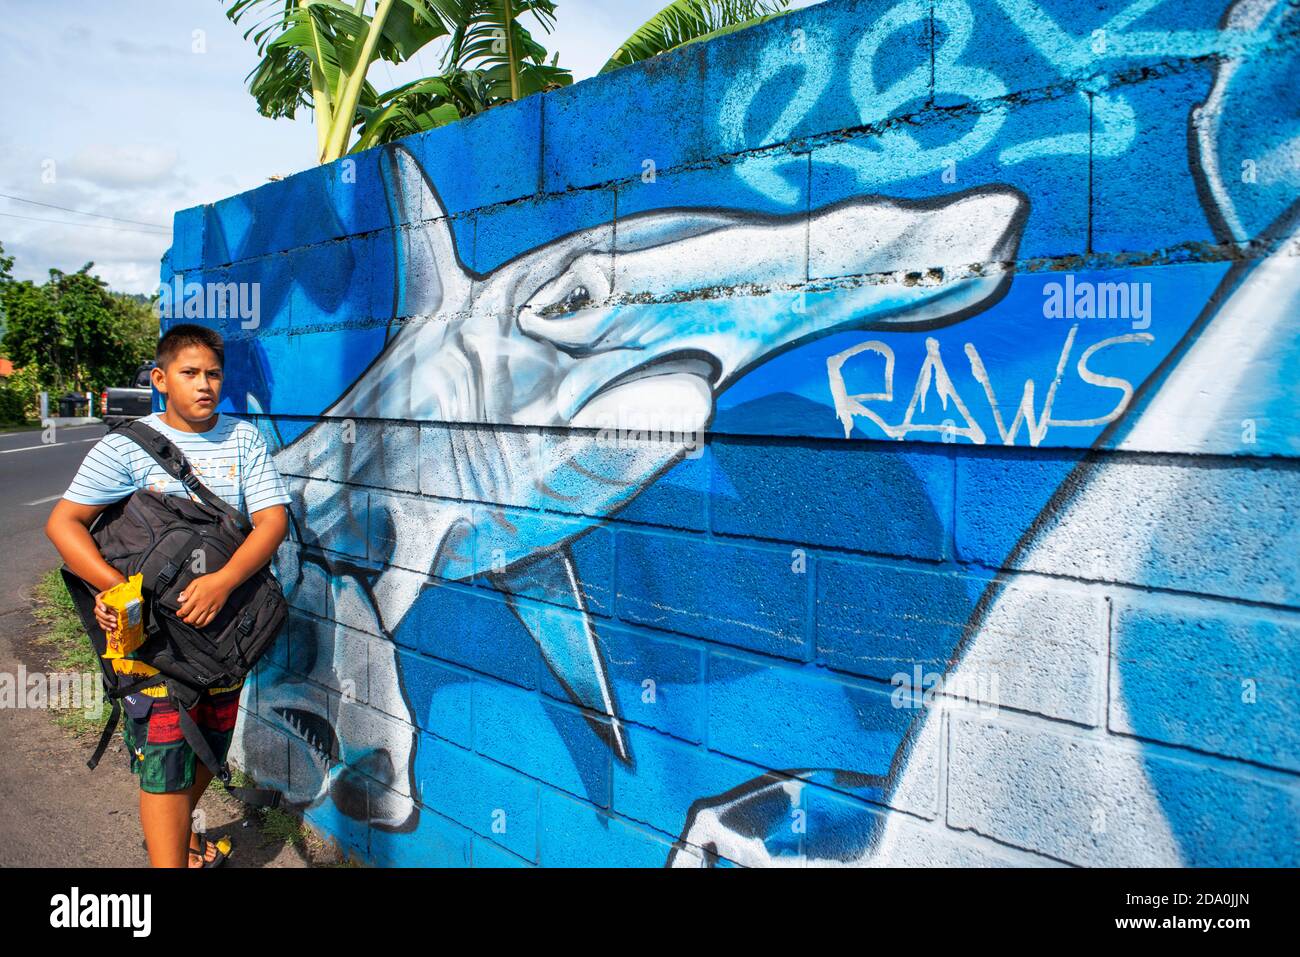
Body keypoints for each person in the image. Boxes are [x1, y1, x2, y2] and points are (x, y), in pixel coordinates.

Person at [45, 323, 291, 868]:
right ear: (161, 379)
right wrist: (117, 590)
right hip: (148, 637)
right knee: (163, 755)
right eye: (189, 373)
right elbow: (65, 524)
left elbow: (272, 523)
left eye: (213, 373)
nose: (204, 384)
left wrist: (222, 581)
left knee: (212, 740)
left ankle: (178, 837)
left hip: (224, 628)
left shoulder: (243, 439)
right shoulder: (124, 448)